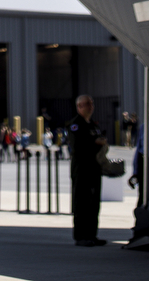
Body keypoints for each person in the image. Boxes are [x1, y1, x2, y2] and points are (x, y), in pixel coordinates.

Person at [64, 94, 109, 247]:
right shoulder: (75, 124)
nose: (91, 107)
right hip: (82, 168)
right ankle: (81, 235)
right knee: (81, 201)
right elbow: (78, 145)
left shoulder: (93, 125)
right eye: (87, 104)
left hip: (94, 168)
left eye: (91, 103)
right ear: (79, 107)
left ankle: (92, 234)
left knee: (94, 202)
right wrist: (95, 142)